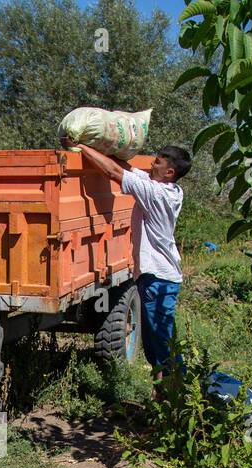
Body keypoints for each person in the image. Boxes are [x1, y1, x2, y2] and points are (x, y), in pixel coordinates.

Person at [63, 138, 192, 384]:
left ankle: (181, 393)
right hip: (157, 277)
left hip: (160, 279)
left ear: (169, 172)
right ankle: (163, 391)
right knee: (155, 343)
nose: (151, 162)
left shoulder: (156, 194)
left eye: (158, 160)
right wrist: (103, 149)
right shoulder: (169, 187)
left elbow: (113, 173)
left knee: (162, 343)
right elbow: (124, 168)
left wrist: (81, 146)